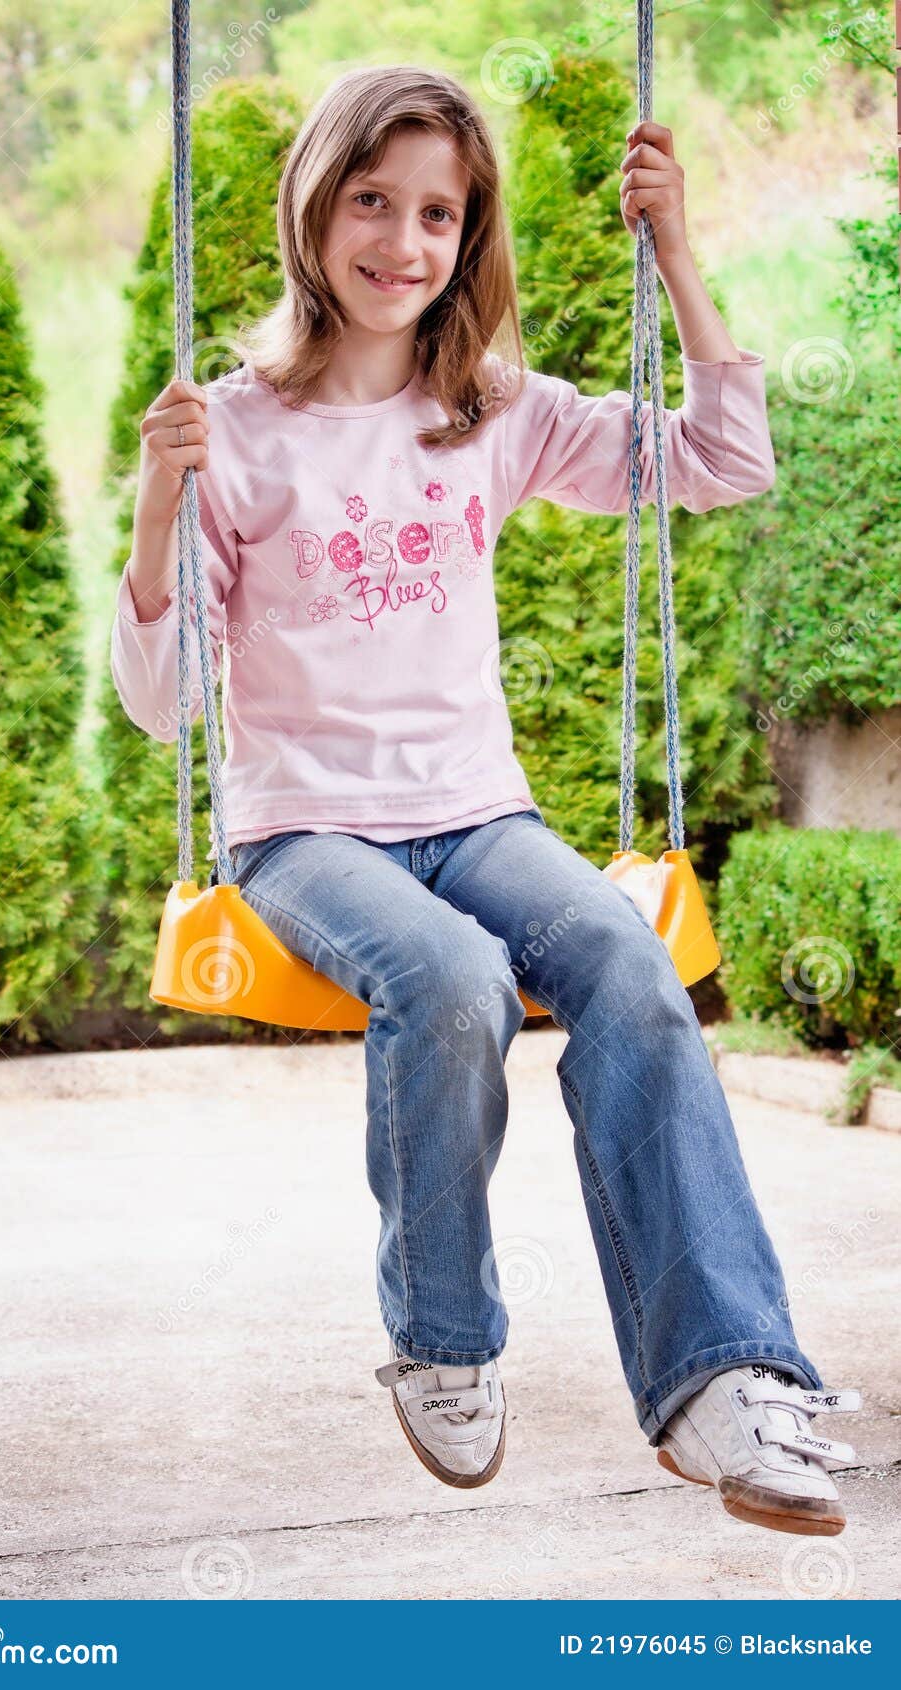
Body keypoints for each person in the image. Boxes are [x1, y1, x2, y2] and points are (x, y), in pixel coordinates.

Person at [110, 64, 860, 1534]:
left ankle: (723, 1379)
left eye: (437, 212)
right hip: (304, 832)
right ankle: (443, 1335)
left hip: (477, 814)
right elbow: (165, 700)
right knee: (452, 982)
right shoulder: (241, 426)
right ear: (314, 207)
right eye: (372, 201)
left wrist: (680, 257)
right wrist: (157, 499)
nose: (401, 240)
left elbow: (723, 459)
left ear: (471, 234)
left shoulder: (491, 412)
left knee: (632, 965)